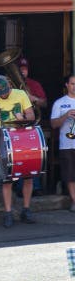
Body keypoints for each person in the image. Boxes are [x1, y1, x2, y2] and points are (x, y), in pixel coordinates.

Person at [0, 75, 35, 228]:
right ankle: (8, 213)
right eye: (0, 93)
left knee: (28, 176)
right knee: (7, 178)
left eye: (5, 92)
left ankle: (26, 209)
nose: (3, 95)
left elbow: (31, 115)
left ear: (9, 86)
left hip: (22, 137)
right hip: (4, 141)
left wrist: (22, 118)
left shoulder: (21, 94)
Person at [50, 75, 75, 212]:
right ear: (67, 85)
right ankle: (74, 201)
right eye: (72, 84)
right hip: (67, 144)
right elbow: (54, 124)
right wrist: (66, 115)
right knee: (70, 174)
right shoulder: (59, 103)